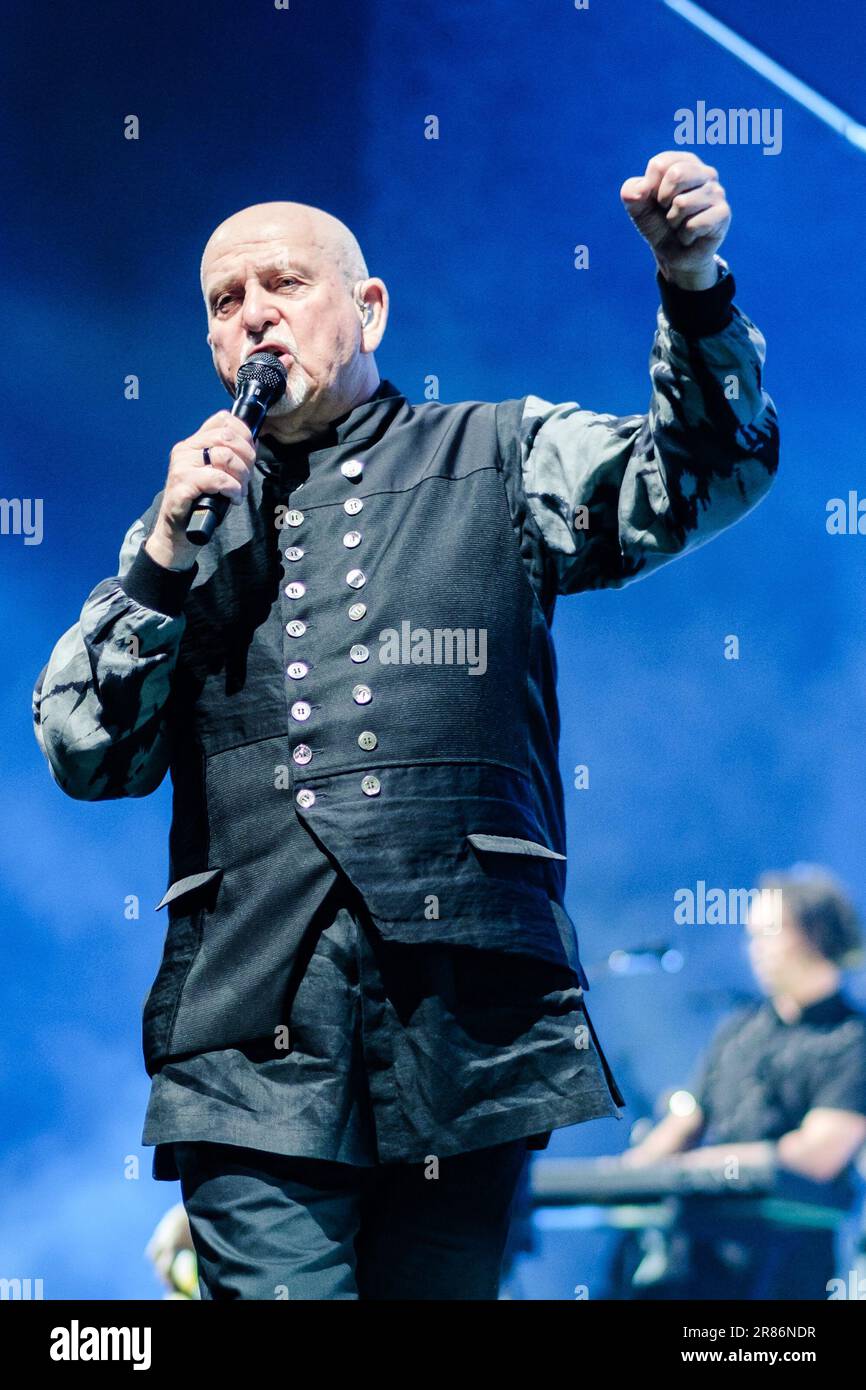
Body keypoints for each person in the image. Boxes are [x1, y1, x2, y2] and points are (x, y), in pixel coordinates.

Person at [32, 150, 779, 1299]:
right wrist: (166, 558)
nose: (254, 316)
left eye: (283, 283)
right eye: (225, 304)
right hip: (247, 1042)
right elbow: (85, 752)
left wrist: (692, 282)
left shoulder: (500, 453)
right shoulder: (186, 523)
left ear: (368, 306)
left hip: (467, 1032)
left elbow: (703, 467)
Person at [611, 866, 866, 1299]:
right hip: (697, 1255)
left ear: (815, 932)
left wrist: (705, 1166)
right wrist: (622, 1176)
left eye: (769, 933)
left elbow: (817, 1155)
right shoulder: (739, 1031)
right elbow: (684, 1124)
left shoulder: (852, 1040)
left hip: (783, 1266)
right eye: (752, 936)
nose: (756, 950)